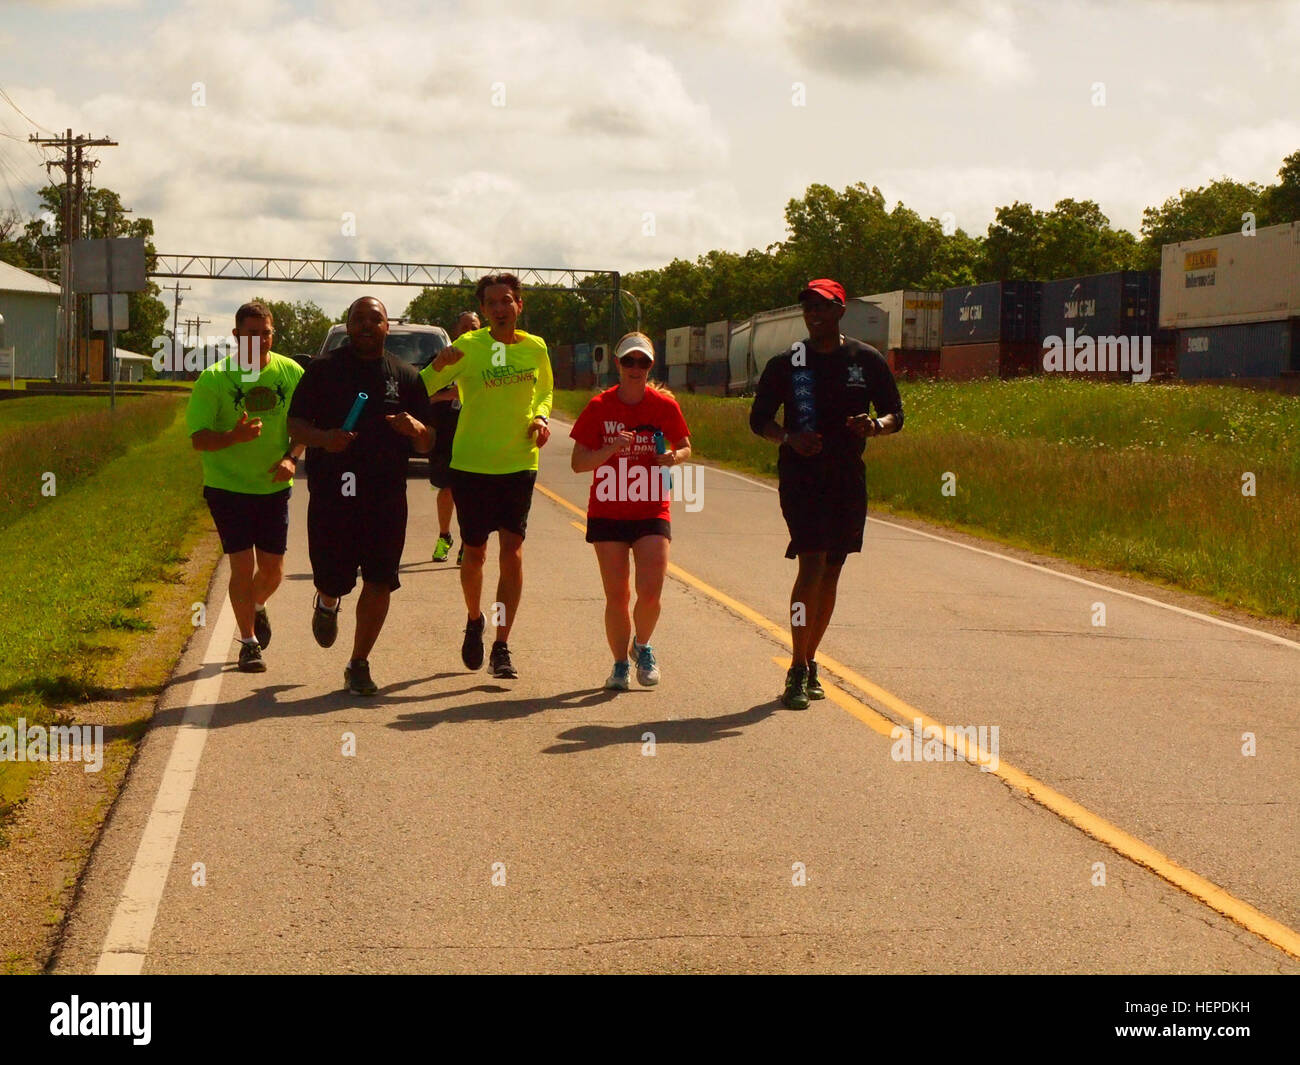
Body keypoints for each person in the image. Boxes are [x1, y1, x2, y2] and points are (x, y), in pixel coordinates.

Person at [749, 278, 903, 710]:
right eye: (808, 307)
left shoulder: (865, 359)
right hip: (802, 478)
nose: (813, 313)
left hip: (847, 478)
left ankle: (810, 660)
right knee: (811, 564)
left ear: (841, 311)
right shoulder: (786, 363)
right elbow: (758, 419)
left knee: (832, 570)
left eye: (822, 306)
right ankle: (797, 668)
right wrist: (788, 438)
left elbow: (896, 413)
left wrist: (874, 426)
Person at [287, 296, 435, 695]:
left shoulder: (405, 377)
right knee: (333, 578)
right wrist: (323, 438)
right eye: (359, 319)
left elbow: (428, 444)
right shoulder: (322, 370)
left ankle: (358, 662)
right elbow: (295, 424)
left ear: (388, 327)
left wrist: (416, 429)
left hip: (386, 497)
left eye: (376, 319)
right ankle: (327, 601)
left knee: (380, 579)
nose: (367, 326)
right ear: (348, 325)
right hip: (334, 494)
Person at [419, 273, 552, 680]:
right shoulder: (468, 346)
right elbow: (421, 388)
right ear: (483, 310)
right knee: (474, 553)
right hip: (473, 465)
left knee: (512, 553)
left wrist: (542, 416)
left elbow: (544, 390)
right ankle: (474, 619)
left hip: (518, 463)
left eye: (506, 301)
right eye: (491, 303)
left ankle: (501, 644)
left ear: (519, 306)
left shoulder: (535, 347)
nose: (499, 308)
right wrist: (435, 367)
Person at [186, 301, 305, 673]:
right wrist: (233, 437)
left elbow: (305, 424)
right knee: (241, 567)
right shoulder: (215, 379)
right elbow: (199, 440)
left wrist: (291, 457)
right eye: (251, 334)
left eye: (266, 333)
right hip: (228, 487)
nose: (260, 340)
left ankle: (255, 605)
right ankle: (249, 643)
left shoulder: (292, 373)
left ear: (273, 335)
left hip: (272, 486)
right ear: (237, 336)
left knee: (273, 571)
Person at [570, 332, 691, 690]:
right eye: (629, 361)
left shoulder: (664, 407)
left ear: (651, 365)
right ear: (617, 364)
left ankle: (643, 645)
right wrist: (609, 448)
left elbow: (685, 446)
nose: (636, 368)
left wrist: (675, 457)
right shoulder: (599, 407)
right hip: (608, 510)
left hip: (652, 506)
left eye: (643, 362)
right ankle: (620, 664)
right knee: (618, 594)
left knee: (651, 591)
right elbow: (578, 463)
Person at [429, 310, 480, 565]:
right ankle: (444, 536)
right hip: (447, 435)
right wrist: (448, 395)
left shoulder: (487, 359)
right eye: (465, 327)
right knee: (446, 490)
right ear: (455, 331)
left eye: (474, 326)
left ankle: (466, 543)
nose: (469, 331)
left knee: (470, 495)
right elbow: (425, 393)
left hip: (477, 436)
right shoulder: (443, 359)